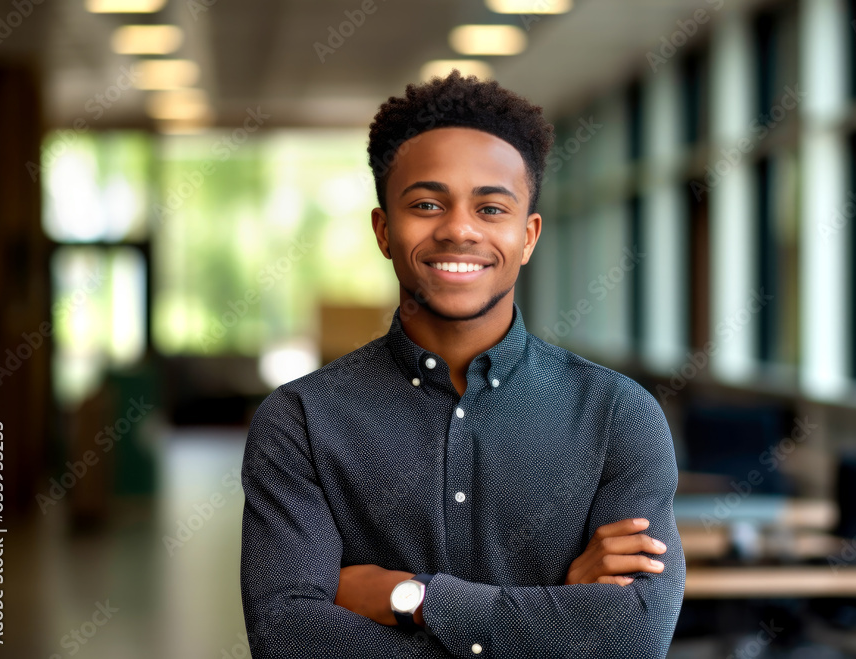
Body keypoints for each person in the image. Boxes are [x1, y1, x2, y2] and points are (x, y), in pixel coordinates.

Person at [239, 69, 685, 658]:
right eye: (426, 204)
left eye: (491, 208)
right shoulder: (300, 420)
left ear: (528, 237)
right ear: (383, 230)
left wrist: (413, 598)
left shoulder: (619, 416)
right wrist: (555, 612)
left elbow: (633, 634)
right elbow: (287, 640)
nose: (458, 229)